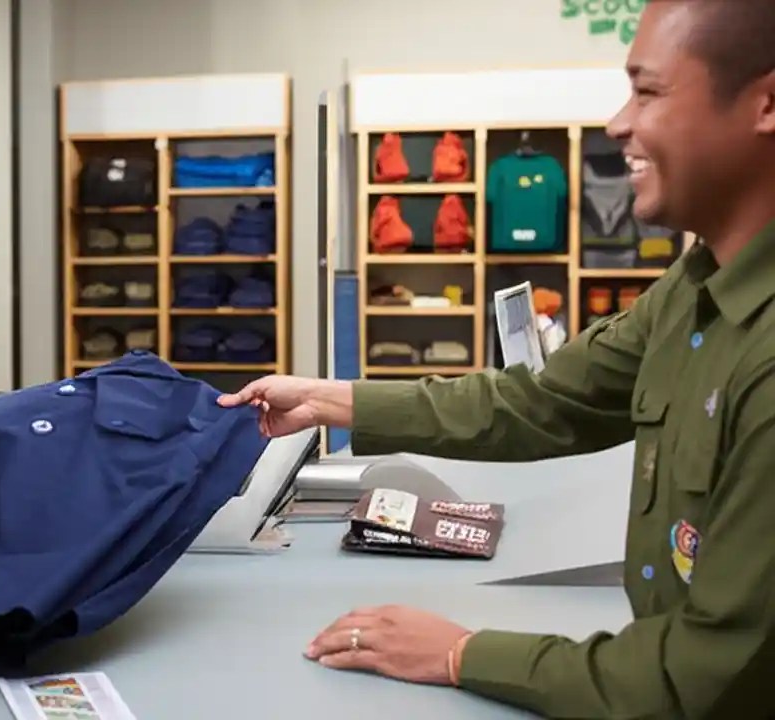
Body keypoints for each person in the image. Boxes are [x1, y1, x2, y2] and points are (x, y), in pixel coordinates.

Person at [219, 1, 775, 717]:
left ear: (765, 104)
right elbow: (539, 400)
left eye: (649, 91)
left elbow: (698, 680)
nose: (618, 124)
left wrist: (460, 653)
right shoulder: (694, 289)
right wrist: (331, 401)